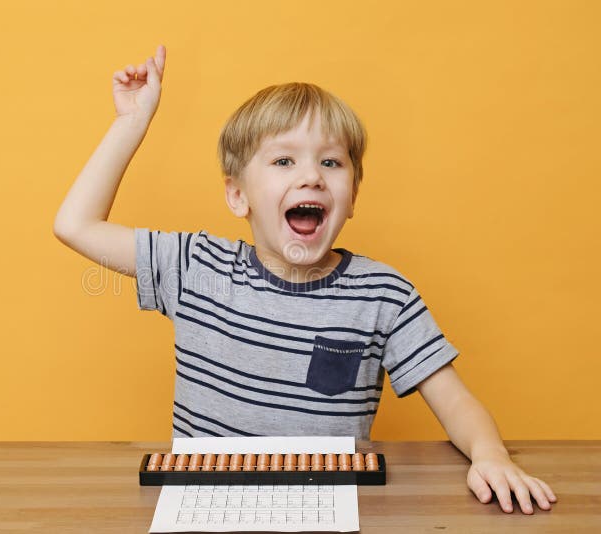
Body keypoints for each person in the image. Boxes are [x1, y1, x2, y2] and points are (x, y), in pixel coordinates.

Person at [53, 44, 557, 515]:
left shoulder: (385, 295)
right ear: (237, 196)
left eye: (332, 162)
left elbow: (456, 401)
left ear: (353, 195)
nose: (312, 175)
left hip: (327, 509)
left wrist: (491, 455)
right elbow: (75, 225)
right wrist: (131, 122)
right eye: (284, 160)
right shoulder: (194, 267)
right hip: (205, 507)